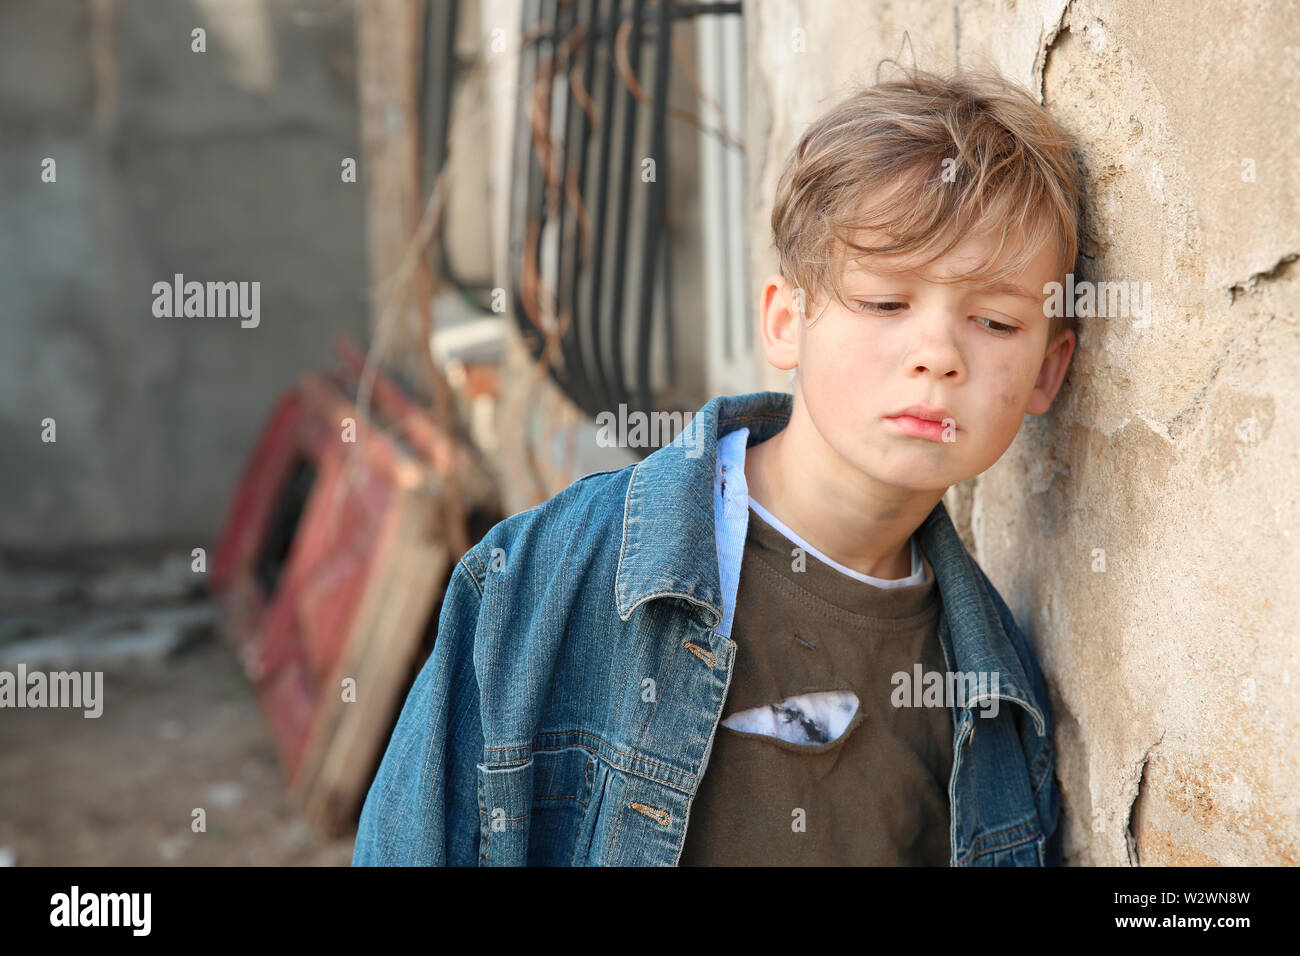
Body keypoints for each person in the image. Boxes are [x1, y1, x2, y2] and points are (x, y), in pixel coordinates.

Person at [352, 62, 1083, 867]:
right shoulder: (545, 580)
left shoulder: (996, 696)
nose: (937, 355)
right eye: (885, 302)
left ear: (1048, 373)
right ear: (785, 321)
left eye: (994, 321)